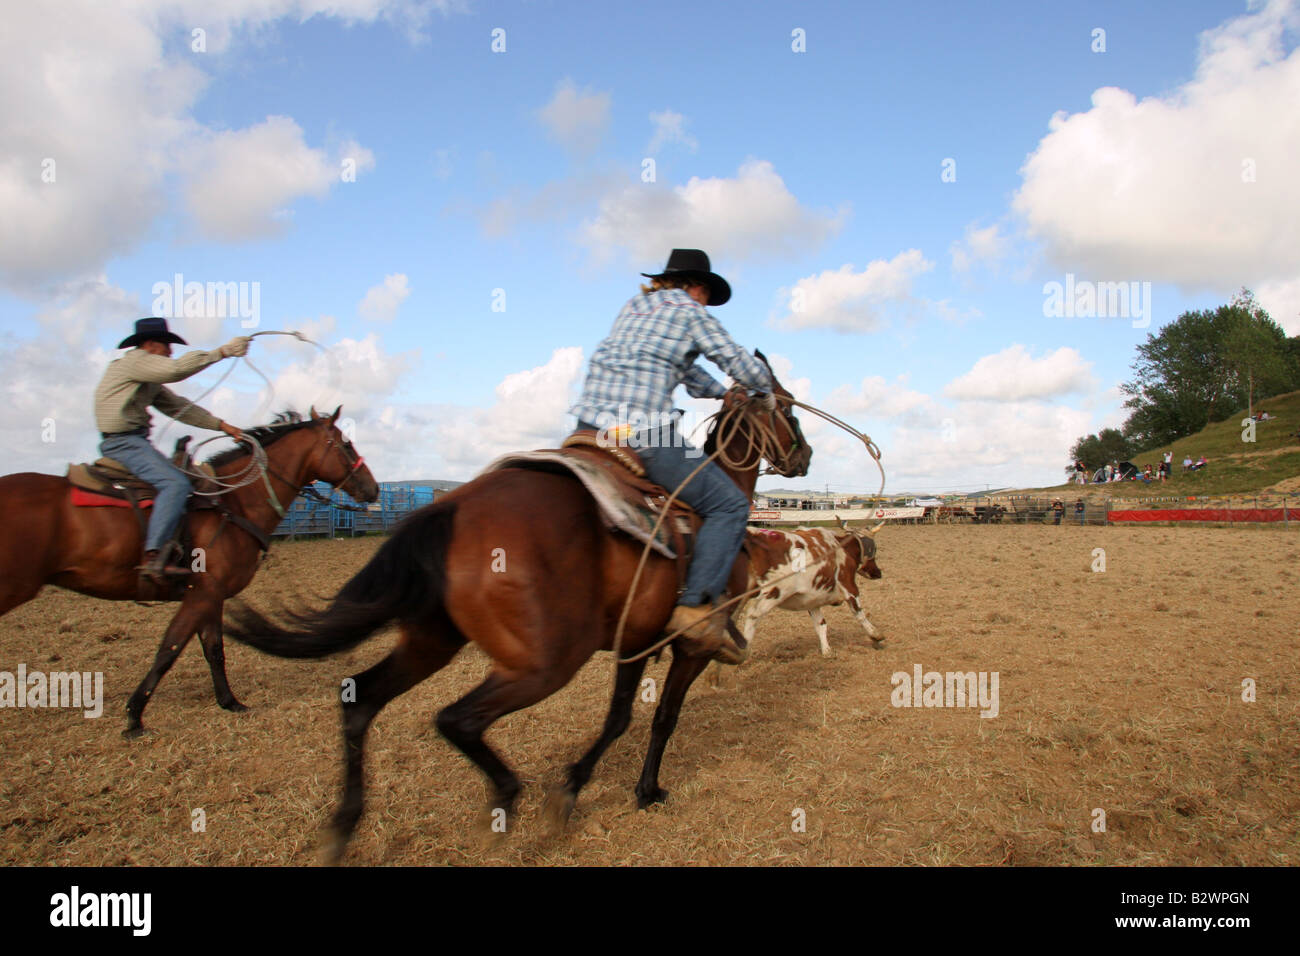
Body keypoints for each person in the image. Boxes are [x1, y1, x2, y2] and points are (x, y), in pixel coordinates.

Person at [570, 249, 776, 665]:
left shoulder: (635, 307)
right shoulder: (691, 313)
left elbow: (689, 374)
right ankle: (695, 611)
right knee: (729, 504)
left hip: (590, 431)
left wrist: (722, 392)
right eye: (706, 295)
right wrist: (762, 387)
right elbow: (740, 363)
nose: (705, 302)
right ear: (698, 287)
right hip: (642, 434)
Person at [95, 317, 251, 585]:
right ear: (151, 345)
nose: (171, 352)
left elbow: (180, 407)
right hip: (125, 443)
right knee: (175, 484)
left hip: (132, 441)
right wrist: (222, 352)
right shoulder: (135, 361)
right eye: (168, 346)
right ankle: (154, 556)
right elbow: (176, 369)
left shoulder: (144, 378)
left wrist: (223, 426)